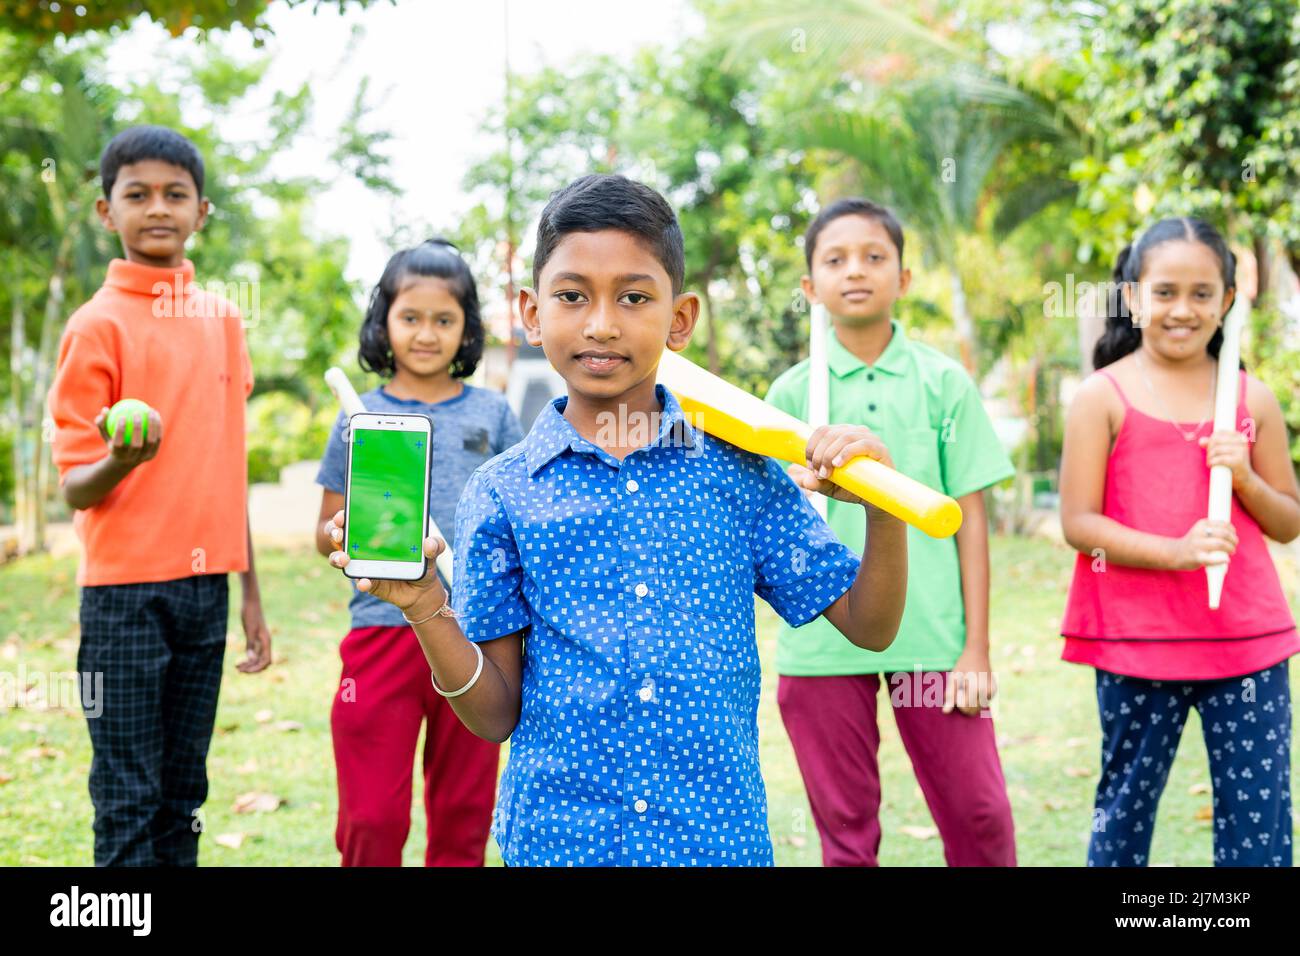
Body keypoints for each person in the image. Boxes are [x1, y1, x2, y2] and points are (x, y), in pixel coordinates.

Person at [324, 174, 909, 866]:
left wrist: (884, 511)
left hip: (714, 842)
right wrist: (424, 604)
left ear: (680, 318)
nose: (602, 323)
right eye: (572, 296)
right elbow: (494, 715)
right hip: (558, 842)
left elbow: (868, 628)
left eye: (634, 297)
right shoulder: (503, 492)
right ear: (532, 314)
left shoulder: (739, 469)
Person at [766, 198, 1017, 866]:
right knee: (846, 837)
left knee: (981, 818)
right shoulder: (789, 395)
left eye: (875, 257)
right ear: (810, 287)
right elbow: (769, 527)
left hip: (934, 642)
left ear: (904, 279)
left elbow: (970, 525)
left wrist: (978, 649)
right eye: (835, 259)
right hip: (822, 643)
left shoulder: (945, 384)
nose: (857, 271)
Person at [47, 125, 272, 866]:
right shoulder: (96, 326)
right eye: (136, 193)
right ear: (107, 211)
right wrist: (121, 458)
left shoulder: (223, 319)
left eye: (175, 194)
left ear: (200, 211)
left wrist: (251, 594)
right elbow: (79, 485)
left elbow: (226, 460)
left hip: (206, 589)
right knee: (127, 798)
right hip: (122, 599)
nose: (157, 208)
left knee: (184, 797)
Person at [1059, 216, 1300, 867]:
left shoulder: (1254, 398)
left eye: (1202, 293)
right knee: (1123, 816)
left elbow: (1288, 521)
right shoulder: (1100, 397)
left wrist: (1245, 476)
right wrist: (1176, 552)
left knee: (1260, 825)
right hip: (1137, 643)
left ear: (1227, 302)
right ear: (1133, 297)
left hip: (1246, 644)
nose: (1182, 309)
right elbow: (1078, 524)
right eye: (1164, 292)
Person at [314, 239, 522, 866]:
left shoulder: (494, 412)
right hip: (381, 633)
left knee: (463, 814)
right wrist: (346, 535)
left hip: (475, 635)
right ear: (384, 323)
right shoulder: (361, 415)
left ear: (467, 328)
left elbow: (519, 521)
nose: (426, 333)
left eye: (444, 319)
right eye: (410, 318)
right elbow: (323, 527)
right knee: (370, 817)